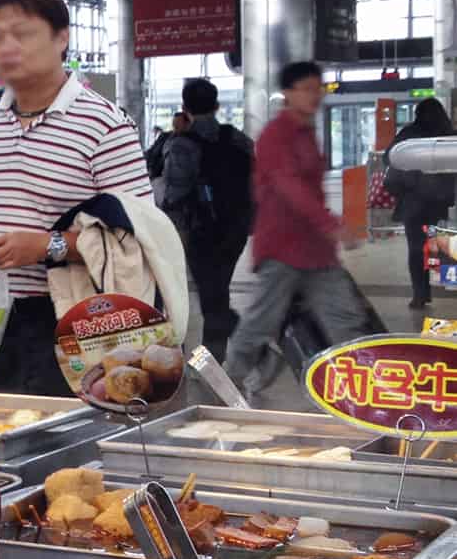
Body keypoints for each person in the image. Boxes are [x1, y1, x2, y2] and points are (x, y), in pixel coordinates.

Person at [0, 0, 152, 395]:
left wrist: (48, 246)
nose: (7, 47)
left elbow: (138, 239)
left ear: (61, 38)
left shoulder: (106, 126)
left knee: (66, 432)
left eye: (23, 34)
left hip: (75, 317)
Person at [224, 61, 366, 390]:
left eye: (319, 88)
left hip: (318, 251)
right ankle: (226, 385)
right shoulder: (276, 135)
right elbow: (291, 188)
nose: (315, 95)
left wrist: (327, 229)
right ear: (288, 93)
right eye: (307, 89)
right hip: (282, 249)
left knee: (346, 318)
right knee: (259, 322)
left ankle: (363, 387)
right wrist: (331, 224)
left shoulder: (308, 133)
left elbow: (309, 190)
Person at [162, 78, 254, 363]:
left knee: (211, 296)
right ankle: (215, 357)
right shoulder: (237, 137)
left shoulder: (182, 144)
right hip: (236, 227)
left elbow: (174, 192)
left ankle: (228, 354)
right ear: (216, 106)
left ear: (185, 106)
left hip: (200, 230)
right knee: (217, 291)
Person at [385, 96, 456, 308]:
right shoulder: (448, 135)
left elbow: (389, 157)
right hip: (442, 202)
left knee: (416, 248)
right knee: (444, 246)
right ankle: (450, 289)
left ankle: (420, 294)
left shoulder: (409, 134)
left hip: (414, 201)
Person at [146, 111, 189, 205]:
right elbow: (151, 152)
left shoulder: (188, 142)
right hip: (157, 175)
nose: (175, 127)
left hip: (172, 181)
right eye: (174, 124)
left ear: (187, 125)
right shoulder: (165, 136)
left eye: (178, 124)